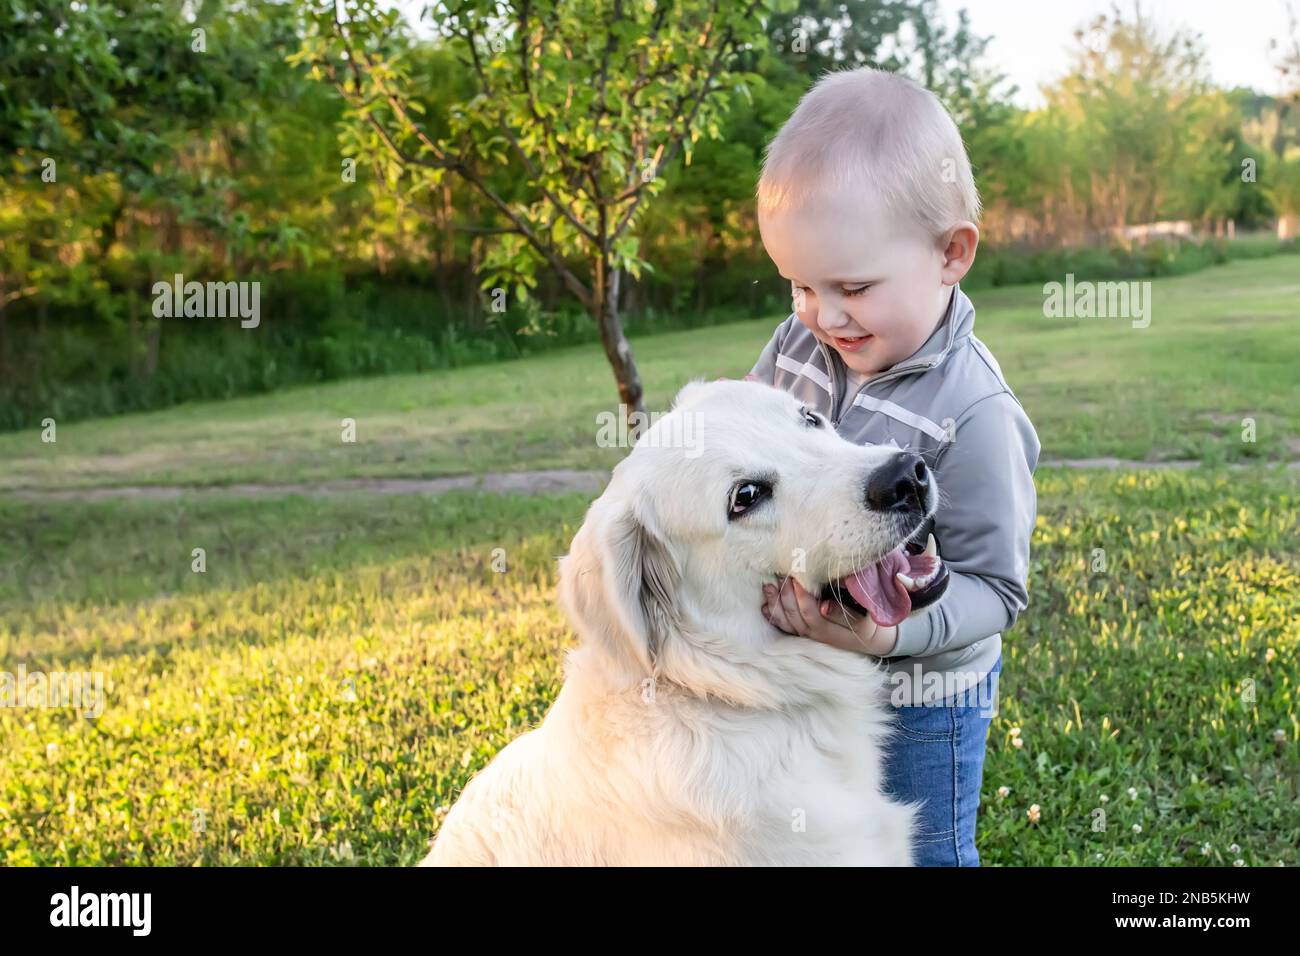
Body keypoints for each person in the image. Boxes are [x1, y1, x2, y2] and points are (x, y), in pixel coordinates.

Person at [747, 67, 1040, 867]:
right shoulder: (799, 346)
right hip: (811, 672)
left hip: (924, 697)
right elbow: (748, 450)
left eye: (853, 287)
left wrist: (889, 638)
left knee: (919, 850)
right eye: (800, 285)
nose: (823, 315)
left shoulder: (974, 413)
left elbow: (997, 589)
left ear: (952, 254)